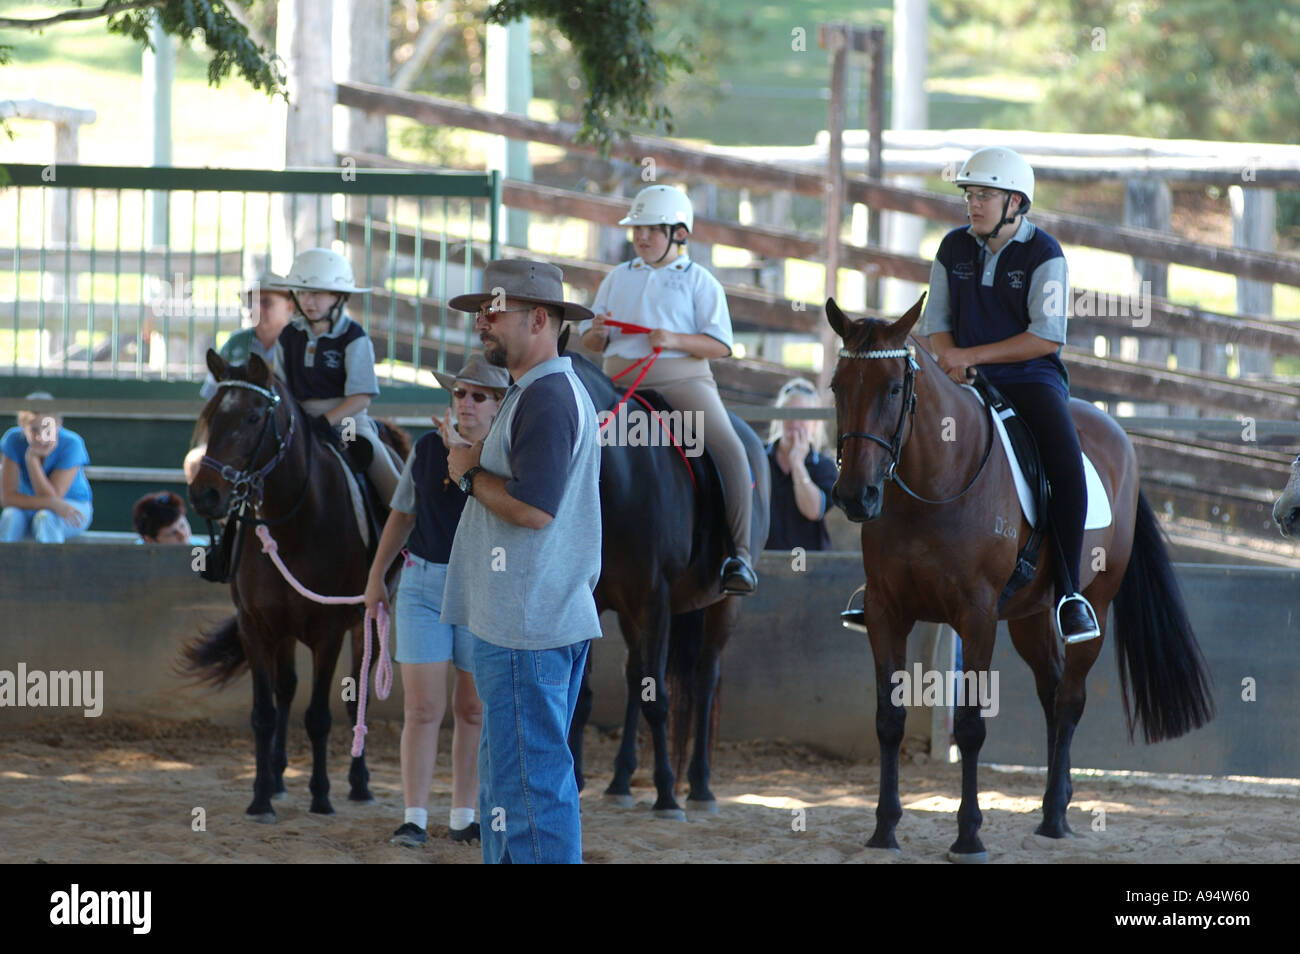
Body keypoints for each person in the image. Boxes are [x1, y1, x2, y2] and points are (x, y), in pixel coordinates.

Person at [441, 259, 602, 865]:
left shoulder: (548, 397)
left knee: (530, 785)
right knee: (516, 783)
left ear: (539, 319)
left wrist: (467, 473)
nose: (482, 320)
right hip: (525, 620)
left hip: (526, 623)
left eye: (494, 310)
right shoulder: (539, 392)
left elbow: (535, 510)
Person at [920, 146, 1100, 643]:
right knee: (899, 438)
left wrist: (970, 357)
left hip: (1030, 378)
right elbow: (936, 325)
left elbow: (1046, 337)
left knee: (1065, 466)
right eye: (970, 195)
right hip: (961, 377)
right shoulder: (951, 248)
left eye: (985, 195)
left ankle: (1069, 595)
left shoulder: (1045, 254)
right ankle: (883, 583)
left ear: (1016, 203)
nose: (973, 204)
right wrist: (952, 358)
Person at [577, 184, 757, 595]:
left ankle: (740, 555)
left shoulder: (700, 281)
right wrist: (597, 335)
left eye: (653, 229)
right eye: (638, 228)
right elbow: (589, 339)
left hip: (683, 381)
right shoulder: (617, 277)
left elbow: (721, 345)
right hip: (617, 383)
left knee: (727, 447)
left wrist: (675, 340)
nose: (642, 237)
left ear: (679, 233)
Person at [364, 353, 507, 848]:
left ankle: (464, 814)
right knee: (423, 709)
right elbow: (402, 513)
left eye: (479, 396)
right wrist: (376, 576)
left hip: (480, 586)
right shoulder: (426, 449)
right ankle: (415, 817)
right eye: (460, 394)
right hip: (423, 582)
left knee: (472, 708)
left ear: (499, 405)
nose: (466, 403)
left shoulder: (504, 456)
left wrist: (467, 460)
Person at [273, 247, 402, 505]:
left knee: (387, 479)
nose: (309, 302)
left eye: (318, 294)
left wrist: (324, 421)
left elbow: (361, 398)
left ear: (339, 296)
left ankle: (406, 532)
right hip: (296, 421)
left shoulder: (354, 337)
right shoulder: (287, 336)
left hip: (348, 422)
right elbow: (279, 385)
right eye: (302, 292)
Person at [185, 271, 297, 482]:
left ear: (290, 307)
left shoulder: (301, 345)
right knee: (197, 463)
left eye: (266, 302)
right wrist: (204, 446)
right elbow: (214, 401)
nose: (256, 309)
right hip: (241, 442)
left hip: (289, 441)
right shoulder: (235, 344)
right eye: (251, 303)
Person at [1, 393, 93, 543]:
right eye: (34, 430)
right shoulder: (12, 440)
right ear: (22, 427)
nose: (41, 437)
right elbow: (8, 499)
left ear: (59, 424)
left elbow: (53, 496)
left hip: (70, 507)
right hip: (29, 505)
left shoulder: (72, 443)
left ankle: (49, 565)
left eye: (47, 428)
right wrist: (31, 458)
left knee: (45, 517)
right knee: (10, 515)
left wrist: (33, 463)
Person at [764, 378, 839, 552]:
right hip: (763, 562)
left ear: (814, 425)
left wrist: (797, 464)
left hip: (807, 566)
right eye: (788, 414)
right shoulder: (759, 456)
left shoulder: (824, 466)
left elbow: (813, 511)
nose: (794, 422)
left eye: (803, 416)